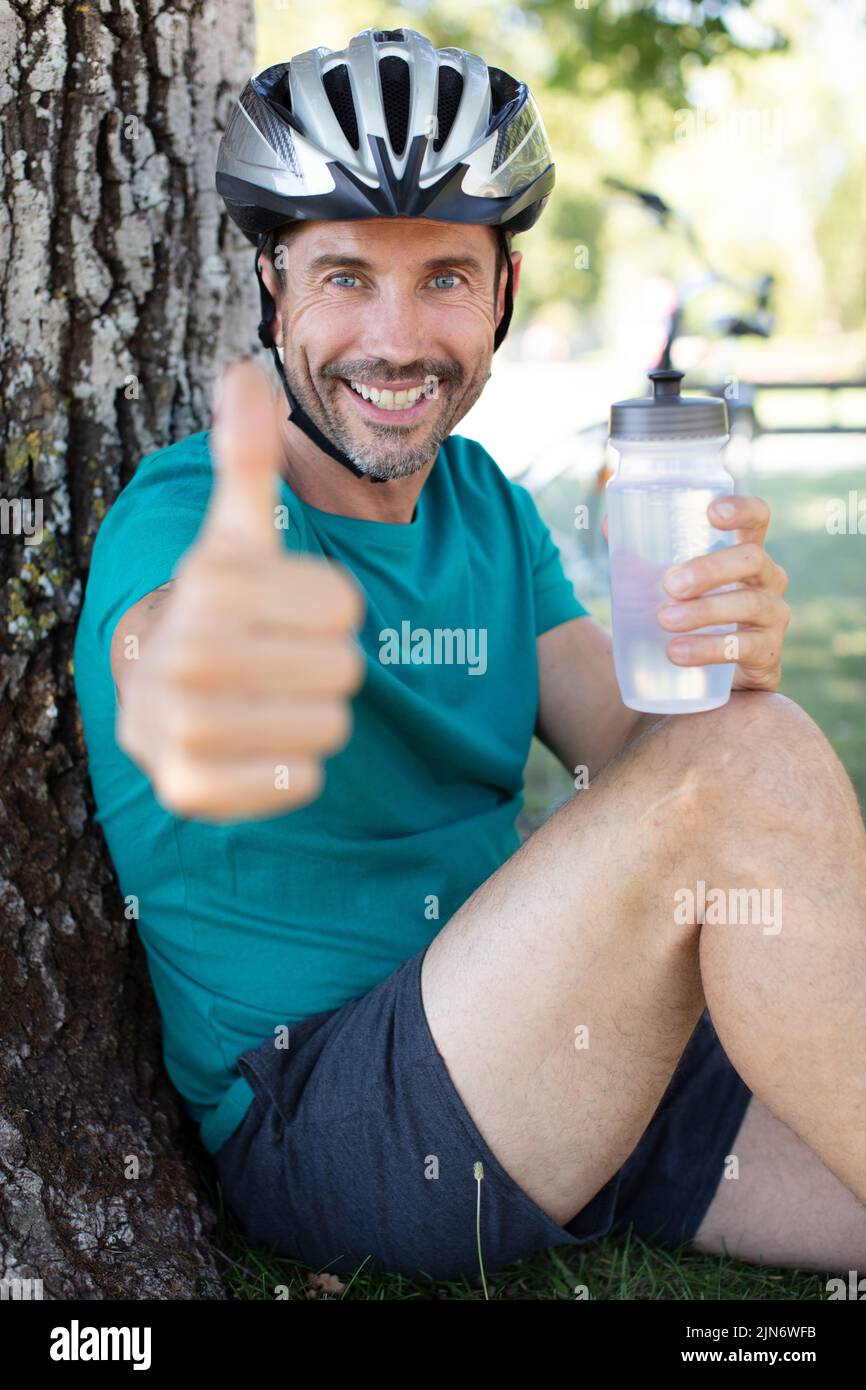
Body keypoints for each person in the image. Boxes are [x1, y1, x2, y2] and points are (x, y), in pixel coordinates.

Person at [73, 26, 866, 1284]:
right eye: (343, 277)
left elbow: (638, 747)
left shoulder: (482, 501)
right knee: (745, 767)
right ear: (272, 286)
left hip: (563, 1050)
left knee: (742, 749)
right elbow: (164, 655)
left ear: (501, 290)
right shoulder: (184, 515)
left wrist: (724, 657)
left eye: (442, 276)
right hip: (336, 1114)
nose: (396, 340)